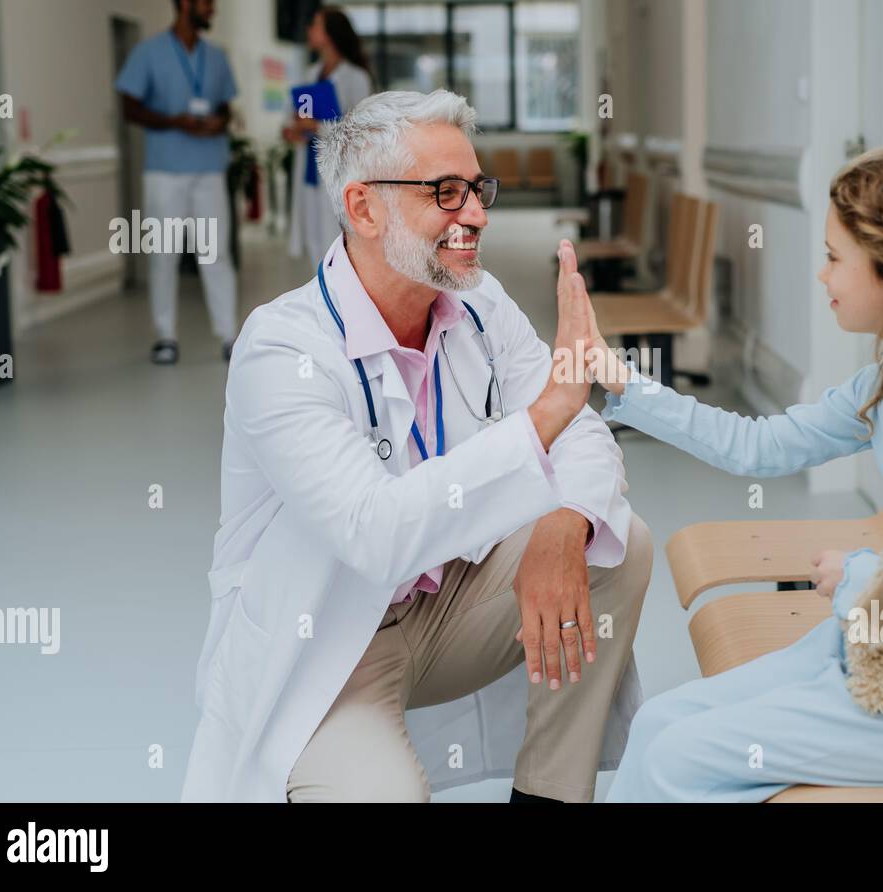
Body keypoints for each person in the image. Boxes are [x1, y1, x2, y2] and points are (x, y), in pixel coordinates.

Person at [180, 90, 651, 803]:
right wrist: (551, 408)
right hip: (331, 642)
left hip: (448, 608)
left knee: (619, 540)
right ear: (364, 208)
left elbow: (581, 432)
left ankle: (550, 795)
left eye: (477, 189)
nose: (478, 216)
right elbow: (375, 535)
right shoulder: (282, 349)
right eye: (446, 193)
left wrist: (563, 521)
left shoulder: (479, 304)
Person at [577, 145, 883, 802]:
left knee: (675, 762)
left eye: (835, 257)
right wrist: (621, 379)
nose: (822, 275)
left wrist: (863, 578)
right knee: (656, 725)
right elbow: (759, 448)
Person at [116, 0, 239, 365]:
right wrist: (175, 122)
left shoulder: (216, 56)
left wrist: (219, 121)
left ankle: (229, 335)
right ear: (185, 3)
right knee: (164, 253)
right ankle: (165, 335)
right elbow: (129, 107)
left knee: (215, 253)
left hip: (209, 167)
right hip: (165, 170)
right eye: (207, 1)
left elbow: (224, 105)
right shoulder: (149, 52)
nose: (212, 9)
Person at [285, 7, 376, 270]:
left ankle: (340, 300)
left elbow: (361, 128)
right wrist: (294, 130)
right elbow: (298, 117)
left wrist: (318, 126)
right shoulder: (309, 75)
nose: (309, 31)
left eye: (315, 24)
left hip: (339, 170)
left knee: (336, 239)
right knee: (314, 240)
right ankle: (321, 302)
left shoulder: (355, 77)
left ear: (330, 34)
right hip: (310, 168)